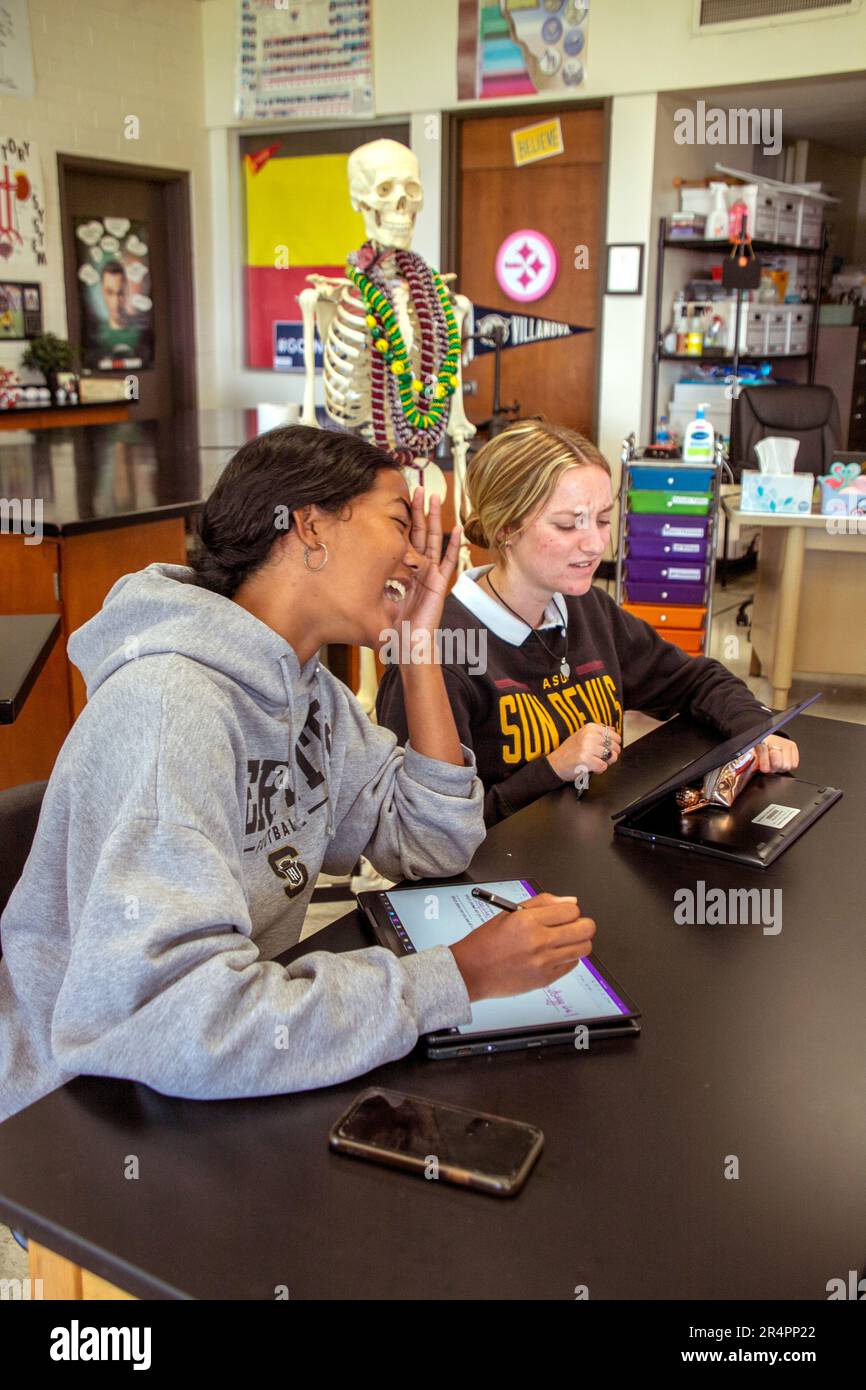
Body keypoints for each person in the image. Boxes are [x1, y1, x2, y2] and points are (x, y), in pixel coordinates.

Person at [0, 426, 596, 1122]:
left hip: (208, 1070)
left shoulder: (308, 693)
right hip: (77, 1114)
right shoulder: (170, 712)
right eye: (400, 523)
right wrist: (457, 976)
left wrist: (419, 645)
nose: (414, 555)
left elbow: (431, 841)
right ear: (309, 528)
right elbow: (164, 1016)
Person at [377, 419, 798, 826]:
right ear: (506, 527)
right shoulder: (437, 650)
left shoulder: (588, 610)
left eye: (601, 519)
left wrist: (756, 732)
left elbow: (697, 680)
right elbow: (425, 834)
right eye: (567, 524)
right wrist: (550, 769)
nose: (596, 544)